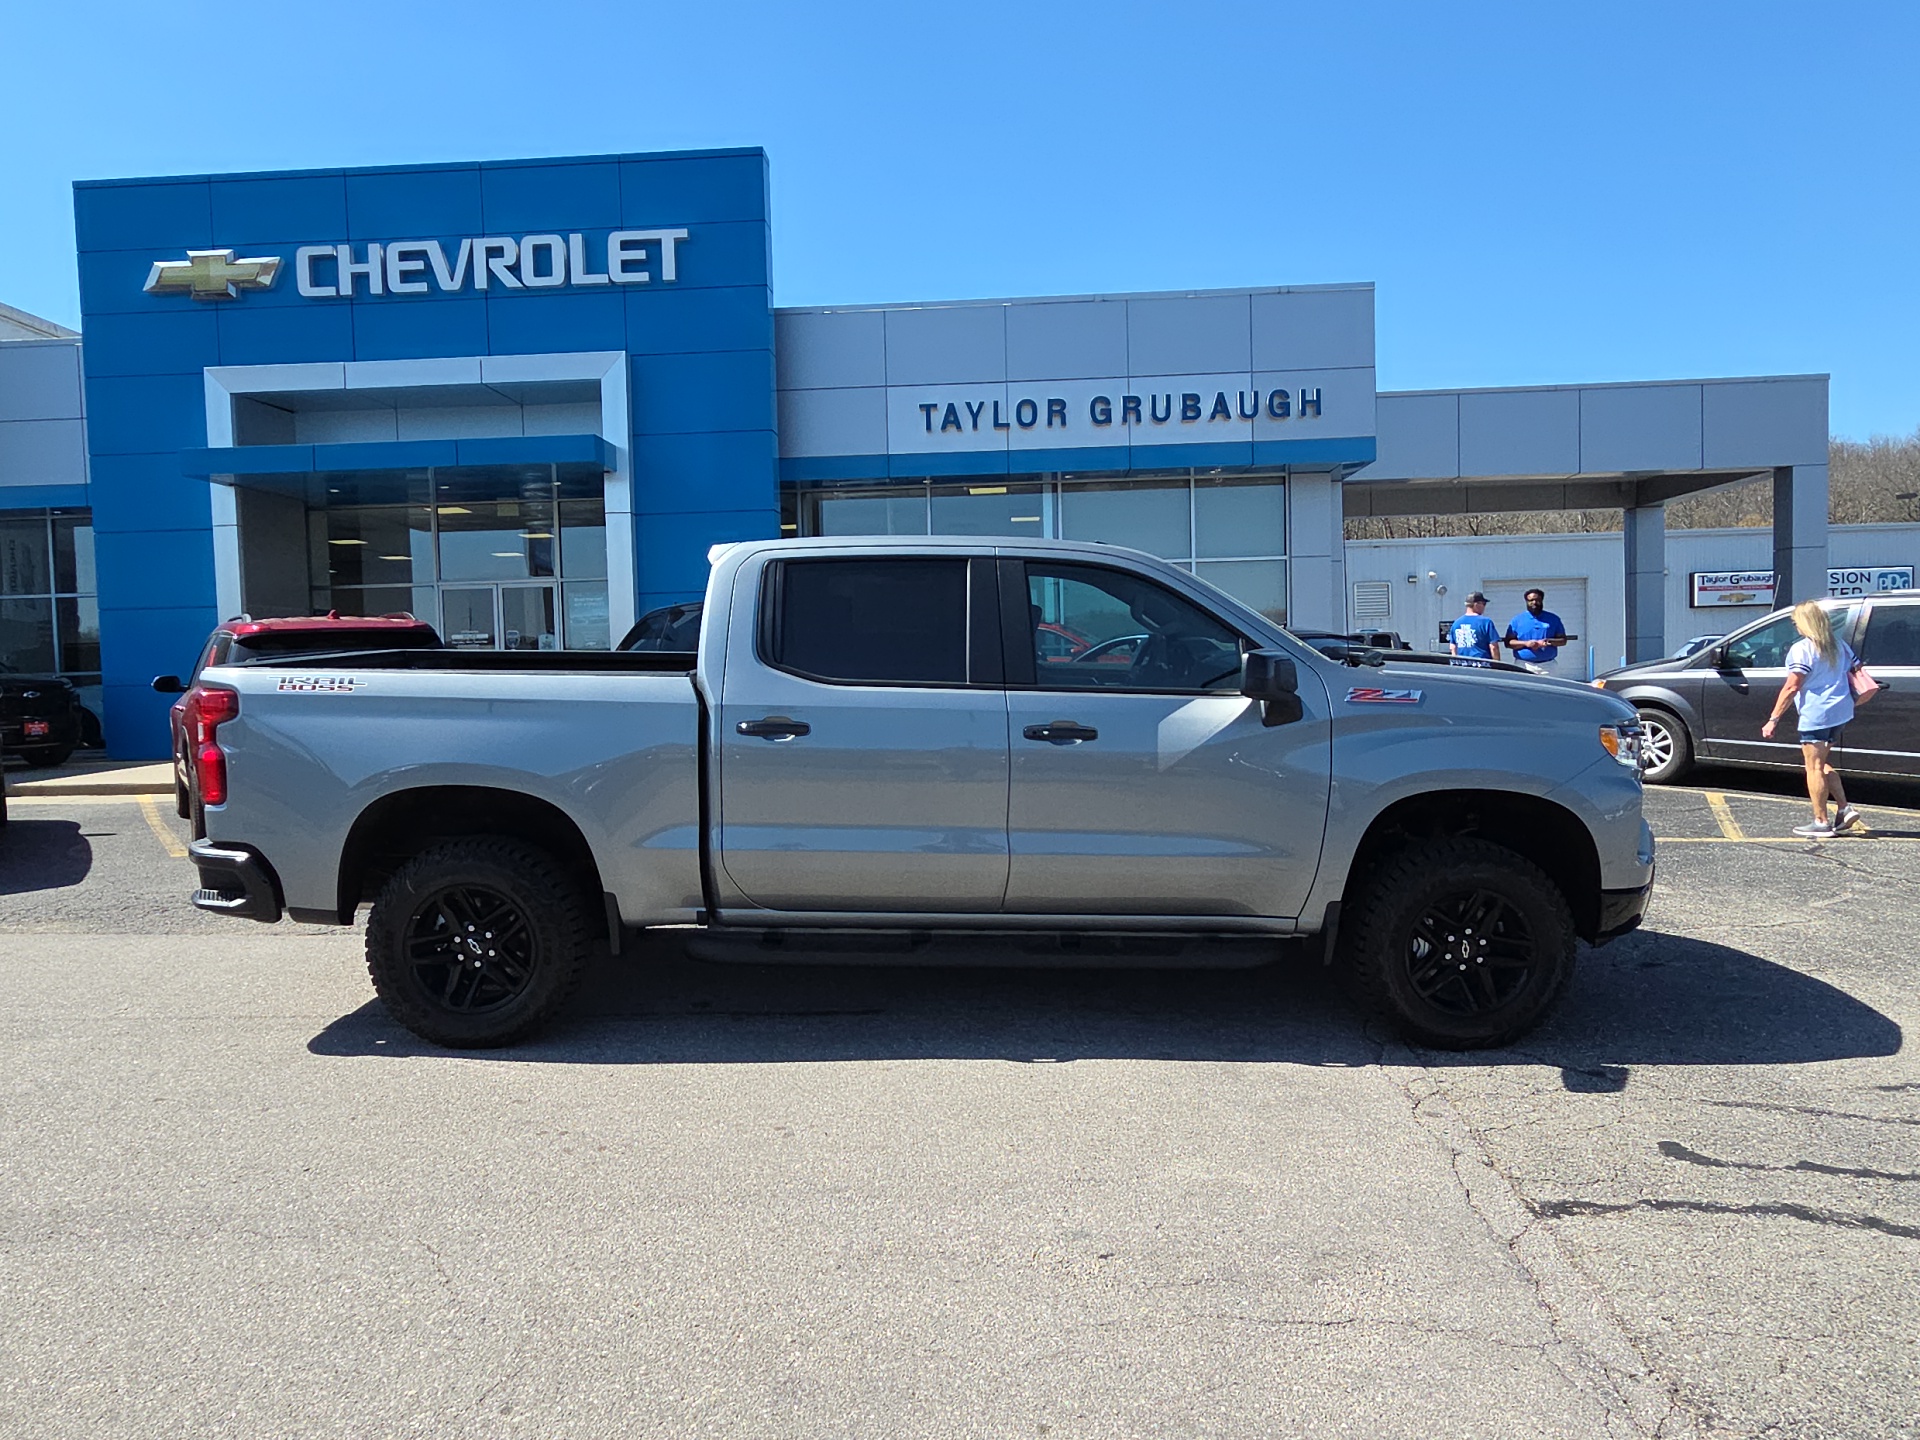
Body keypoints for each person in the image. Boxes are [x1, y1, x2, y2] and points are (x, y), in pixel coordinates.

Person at [1759, 600, 1864, 838]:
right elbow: (1857, 670)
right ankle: (1844, 808)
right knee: (1820, 762)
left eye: (1796, 622)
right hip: (1840, 713)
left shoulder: (1803, 649)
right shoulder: (1839, 645)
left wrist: (1773, 719)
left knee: (1813, 767)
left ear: (1805, 623)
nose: (1795, 626)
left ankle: (1821, 821)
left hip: (1817, 714)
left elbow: (1792, 686)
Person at [1504, 588, 1568, 665]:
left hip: (1548, 665)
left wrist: (1548, 641)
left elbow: (1563, 640)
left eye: (1537, 600)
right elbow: (1508, 643)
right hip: (1523, 664)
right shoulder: (1517, 620)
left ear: (1542, 601)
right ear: (1526, 602)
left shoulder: (1554, 619)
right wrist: (1526, 643)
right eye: (1531, 600)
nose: (1534, 602)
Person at [1447, 592, 1502, 662]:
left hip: (1462, 664)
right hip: (1482, 663)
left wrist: (1456, 663)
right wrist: (1497, 664)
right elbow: (1494, 647)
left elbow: (1453, 647)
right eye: (1484, 604)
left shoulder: (1456, 623)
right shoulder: (1485, 622)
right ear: (1476, 604)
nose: (1484, 607)